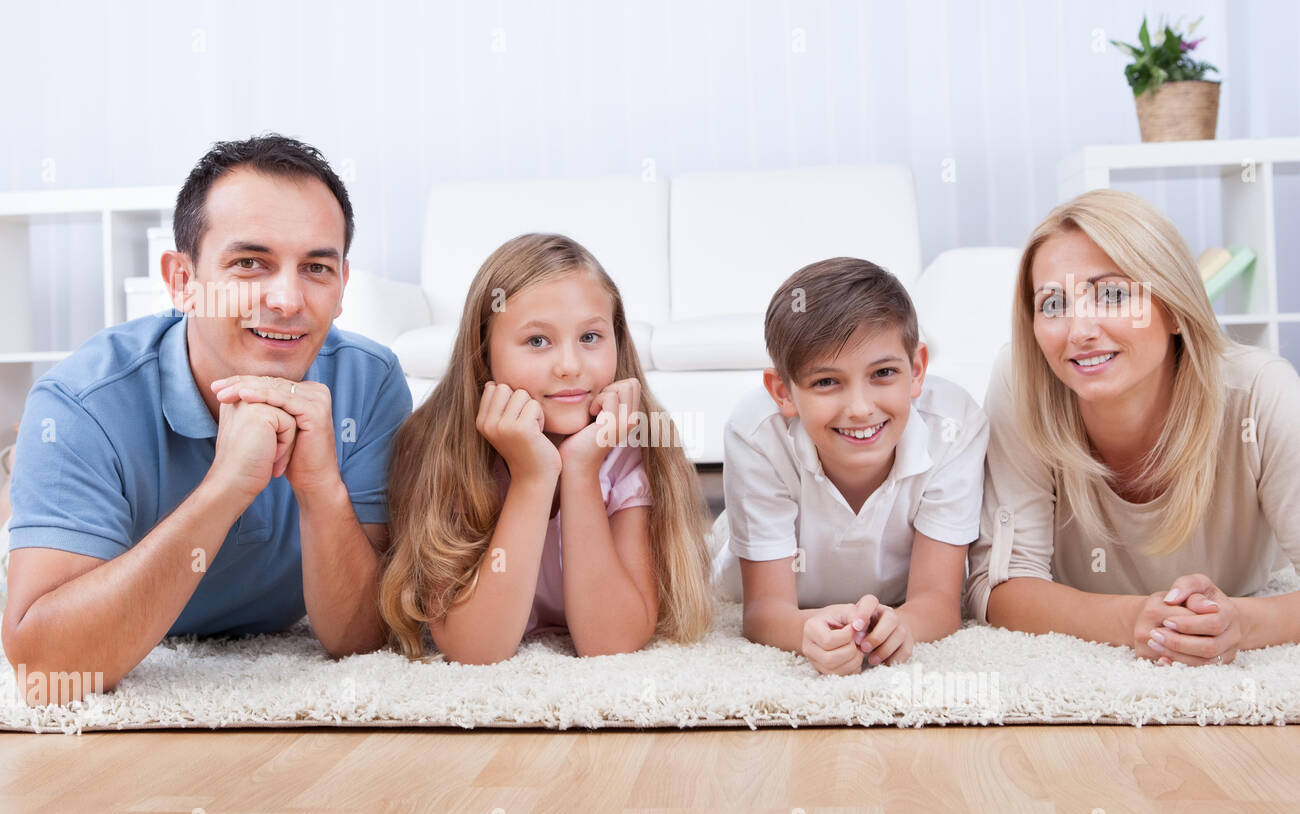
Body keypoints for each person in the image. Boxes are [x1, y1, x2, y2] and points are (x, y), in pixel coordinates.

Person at [2, 134, 412, 704]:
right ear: (181, 282)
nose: (287, 299)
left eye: (316, 267)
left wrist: (321, 488)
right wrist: (224, 489)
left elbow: (359, 638)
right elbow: (46, 670)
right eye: (250, 263)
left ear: (343, 286)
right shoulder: (77, 403)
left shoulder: (369, 383)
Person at [965, 189, 1300, 664]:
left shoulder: (1263, 393)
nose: (1079, 330)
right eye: (1053, 304)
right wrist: (1134, 620)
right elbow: (1000, 588)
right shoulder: (1023, 384)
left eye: (1113, 295)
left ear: (1176, 309)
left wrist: (1242, 624)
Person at [379, 233, 712, 664]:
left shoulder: (630, 446)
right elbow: (475, 649)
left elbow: (610, 645)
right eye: (538, 341)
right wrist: (533, 477)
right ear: (483, 356)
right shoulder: (445, 448)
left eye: (591, 337)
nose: (570, 366)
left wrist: (580, 470)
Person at [711, 257, 989, 675]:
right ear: (782, 393)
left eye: (883, 373)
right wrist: (804, 630)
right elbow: (766, 612)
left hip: (892, 597)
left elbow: (938, 601)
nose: (860, 409)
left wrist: (902, 627)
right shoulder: (755, 434)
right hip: (757, 579)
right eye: (826, 382)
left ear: (916, 371)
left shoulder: (954, 426)